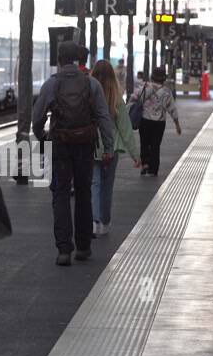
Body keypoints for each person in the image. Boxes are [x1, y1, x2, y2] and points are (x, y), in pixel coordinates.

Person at [33, 41, 114, 266]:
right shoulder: (91, 83)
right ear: (78, 59)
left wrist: (41, 136)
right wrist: (108, 147)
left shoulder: (51, 84)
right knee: (83, 192)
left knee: (60, 193)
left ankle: (64, 250)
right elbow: (103, 116)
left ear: (59, 60)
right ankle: (84, 247)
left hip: (60, 145)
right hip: (85, 145)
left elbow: (37, 116)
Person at [91, 60, 140, 237]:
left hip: (92, 145)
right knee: (107, 186)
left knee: (94, 184)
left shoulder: (89, 93)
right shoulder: (117, 98)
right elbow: (126, 129)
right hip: (111, 149)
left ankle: (94, 220)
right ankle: (105, 222)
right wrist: (136, 155)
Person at [131, 66, 182, 177]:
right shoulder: (166, 91)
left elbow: (134, 97)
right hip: (159, 123)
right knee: (155, 145)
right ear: (164, 78)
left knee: (144, 143)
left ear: (152, 76)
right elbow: (172, 108)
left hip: (145, 121)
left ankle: (145, 165)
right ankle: (153, 169)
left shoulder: (145, 86)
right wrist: (177, 124)